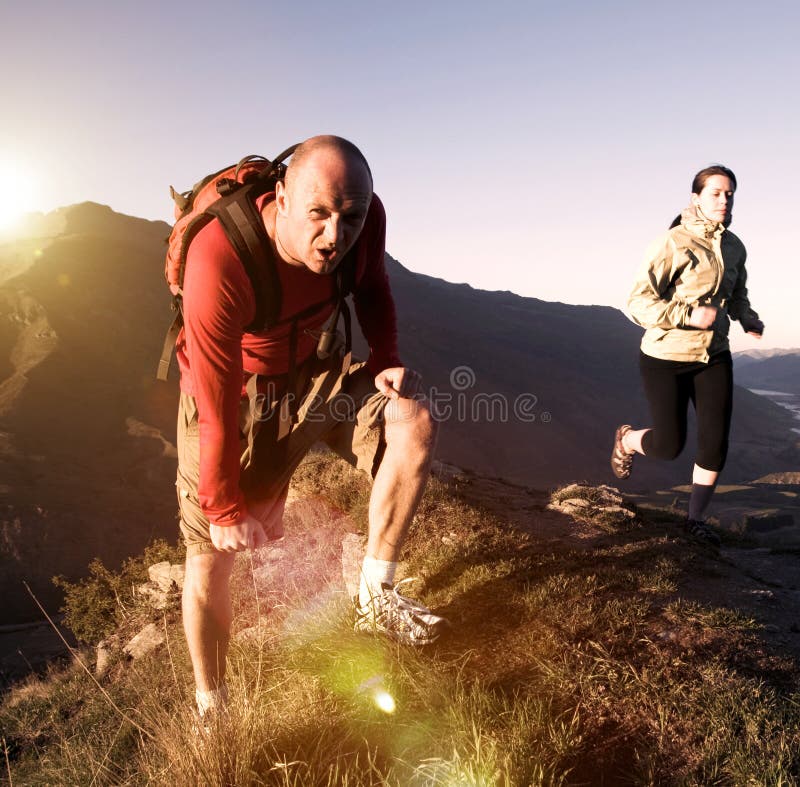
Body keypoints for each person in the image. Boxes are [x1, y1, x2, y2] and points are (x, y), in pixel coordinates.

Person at [174, 135, 444, 719]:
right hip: (233, 389)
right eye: (318, 214)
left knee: (413, 422)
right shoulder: (221, 257)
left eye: (350, 216)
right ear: (282, 199)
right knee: (208, 557)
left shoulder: (364, 220)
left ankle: (377, 593)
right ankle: (210, 709)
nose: (335, 235)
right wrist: (223, 507)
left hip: (314, 367)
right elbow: (218, 399)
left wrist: (384, 359)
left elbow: (373, 288)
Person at [611, 164, 764, 546]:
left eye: (729, 194)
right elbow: (637, 303)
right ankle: (628, 439)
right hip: (666, 355)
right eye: (715, 193)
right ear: (696, 197)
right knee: (668, 445)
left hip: (714, 354)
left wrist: (748, 318)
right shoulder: (672, 243)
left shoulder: (734, 246)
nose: (723, 200)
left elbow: (737, 293)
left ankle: (694, 521)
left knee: (715, 441)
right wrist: (688, 315)